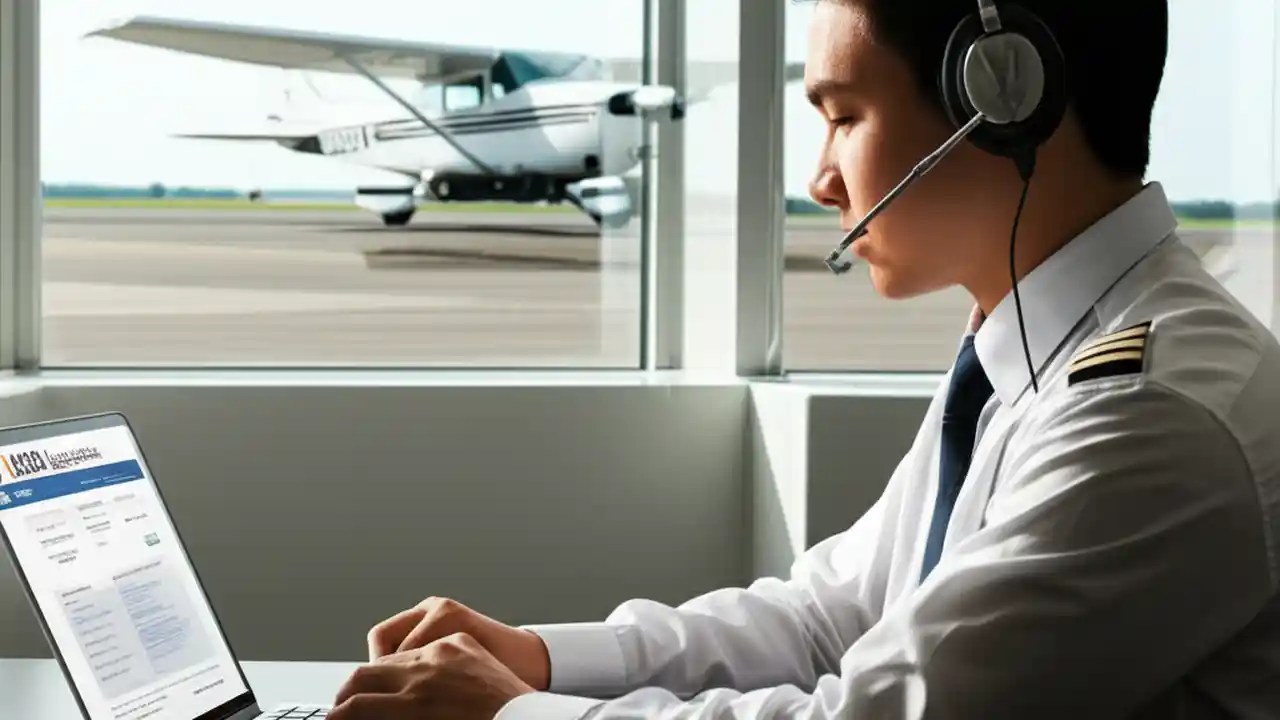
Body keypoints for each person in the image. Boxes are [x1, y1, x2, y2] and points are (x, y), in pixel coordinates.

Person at [328, 0, 1280, 717]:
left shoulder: (1149, 415)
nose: (820, 179)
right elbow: (833, 618)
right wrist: (539, 660)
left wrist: (509, 713)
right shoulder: (1027, 354)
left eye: (844, 116)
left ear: (1003, 99)